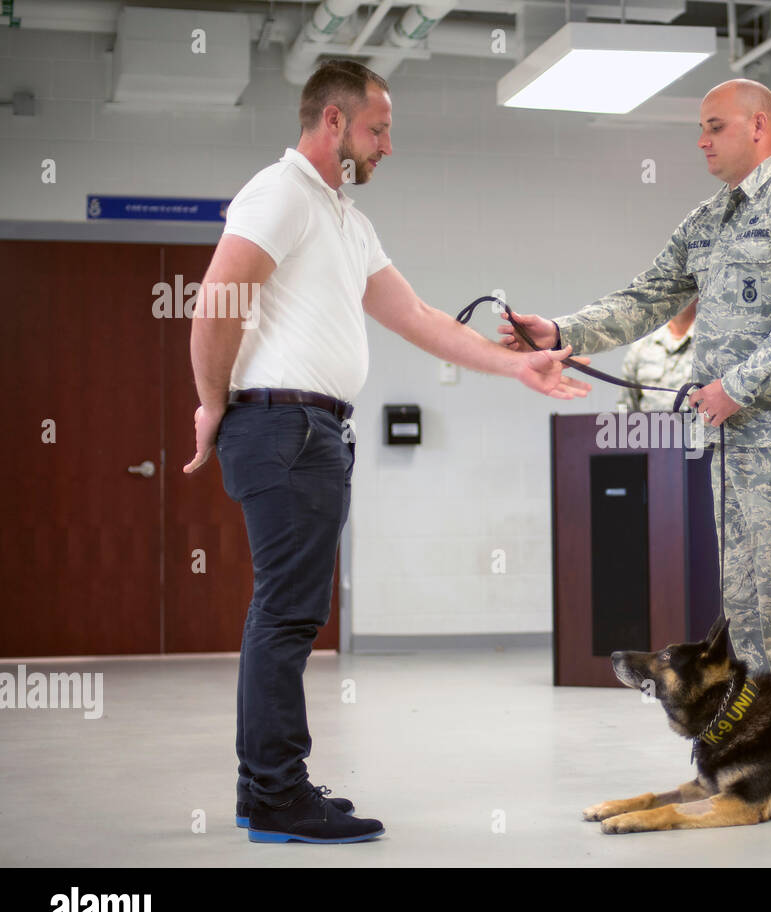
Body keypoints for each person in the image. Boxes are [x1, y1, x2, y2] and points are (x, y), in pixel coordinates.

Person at [183, 59, 588, 844]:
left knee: (287, 612)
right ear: (332, 123)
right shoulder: (282, 193)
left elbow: (417, 315)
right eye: (379, 128)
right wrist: (212, 402)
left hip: (312, 431)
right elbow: (217, 301)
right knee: (287, 615)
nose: (387, 146)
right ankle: (275, 792)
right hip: (284, 428)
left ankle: (263, 785)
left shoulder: (342, 217)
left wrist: (517, 364)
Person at [501, 79, 771, 705]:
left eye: (715, 126)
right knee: (743, 621)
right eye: (701, 127)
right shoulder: (710, 218)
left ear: (758, 127)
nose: (701, 140)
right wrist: (558, 331)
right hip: (732, 450)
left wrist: (735, 389)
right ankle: (761, 766)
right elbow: (645, 298)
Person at [619, 299, 697, 412]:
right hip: (648, 428)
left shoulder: (708, 346)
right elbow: (625, 404)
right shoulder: (641, 345)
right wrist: (624, 427)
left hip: (693, 428)